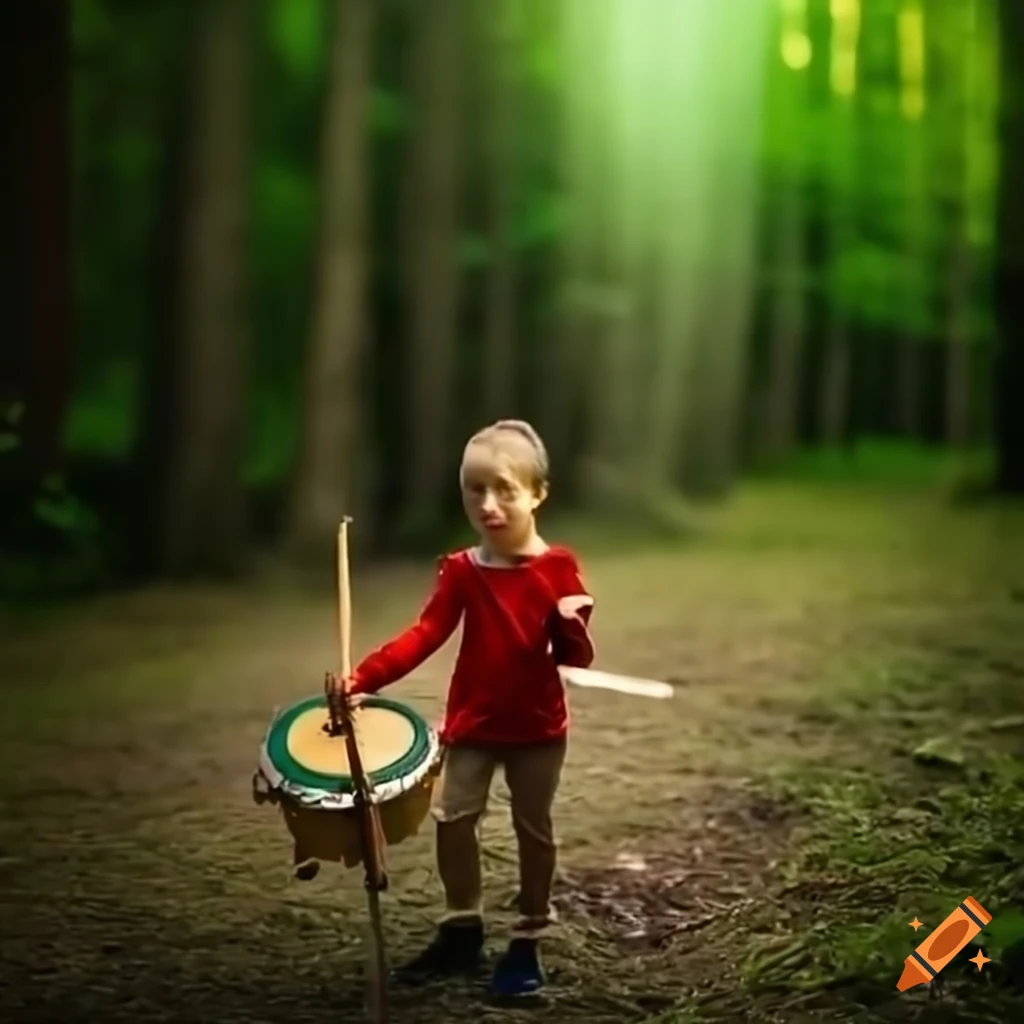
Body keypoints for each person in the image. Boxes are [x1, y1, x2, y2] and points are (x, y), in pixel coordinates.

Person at [332, 419, 595, 998]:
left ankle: (526, 941)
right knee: (453, 821)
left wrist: (569, 624)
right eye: (475, 489)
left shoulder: (557, 568)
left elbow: (574, 657)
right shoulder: (463, 571)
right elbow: (424, 634)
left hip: (537, 729)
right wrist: (366, 677)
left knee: (533, 831)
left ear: (537, 494)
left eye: (504, 488)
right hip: (473, 723)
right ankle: (461, 927)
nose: (488, 503)